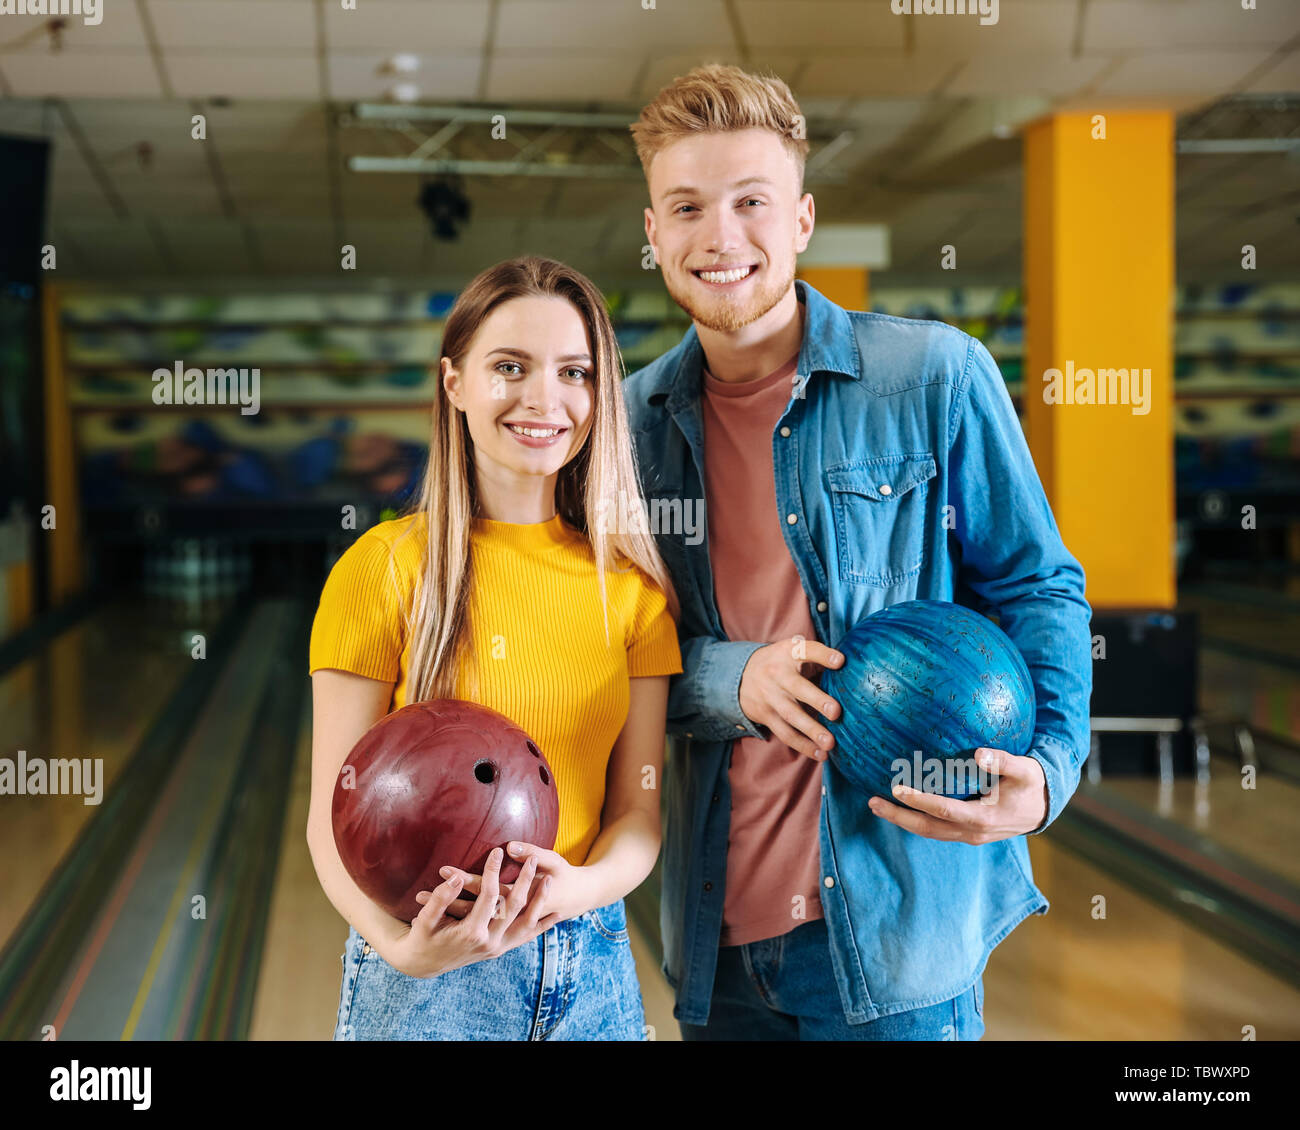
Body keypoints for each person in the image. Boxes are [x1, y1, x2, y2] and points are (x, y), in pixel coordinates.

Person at [623, 63, 1093, 1040]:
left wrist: (1048, 767)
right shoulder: (626, 428)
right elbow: (605, 651)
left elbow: (1036, 583)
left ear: (800, 220)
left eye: (751, 200)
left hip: (896, 941)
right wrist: (726, 677)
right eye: (687, 206)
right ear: (652, 232)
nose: (720, 235)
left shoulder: (931, 375)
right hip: (714, 947)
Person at [306, 256, 682, 1041]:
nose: (544, 398)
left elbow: (638, 814)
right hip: (428, 976)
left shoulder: (634, 590)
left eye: (573, 372)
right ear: (454, 385)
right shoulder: (383, 569)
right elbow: (327, 820)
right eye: (509, 366)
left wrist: (574, 889)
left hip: (592, 961)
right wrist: (402, 950)